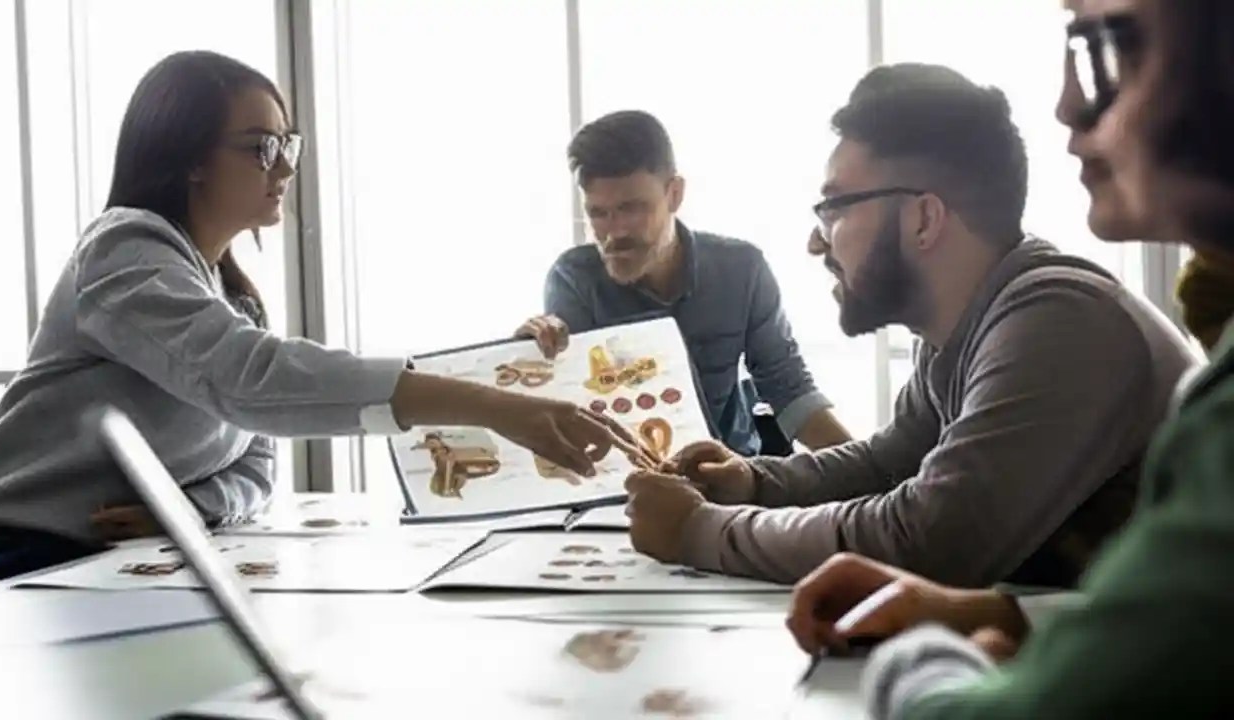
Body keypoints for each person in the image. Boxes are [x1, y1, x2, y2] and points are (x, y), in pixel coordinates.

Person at [0, 51, 645, 591]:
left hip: (97, 565)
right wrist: (492, 406)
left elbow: (256, 456)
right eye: (260, 147)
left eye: (289, 144)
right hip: (1, 552)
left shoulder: (235, 295)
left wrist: (195, 507)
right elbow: (251, 380)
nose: (283, 167)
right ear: (188, 156)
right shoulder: (122, 250)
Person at [789, 1, 1234, 716]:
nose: (1064, 103)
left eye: (1109, 43)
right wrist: (998, 618)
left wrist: (926, 660)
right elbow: (1185, 626)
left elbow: (936, 540)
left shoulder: (1060, 317)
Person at [622, 63, 1197, 588]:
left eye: (837, 207)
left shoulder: (1060, 322)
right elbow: (888, 464)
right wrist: (754, 484)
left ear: (925, 217)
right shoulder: (969, 324)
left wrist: (700, 532)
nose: (817, 239)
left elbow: (929, 540)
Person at [515, 110, 851, 456]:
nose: (615, 233)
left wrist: (871, 474)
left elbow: (788, 389)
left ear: (674, 194)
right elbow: (575, 410)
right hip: (629, 482)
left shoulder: (741, 269)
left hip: (735, 474)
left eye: (632, 209)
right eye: (598, 214)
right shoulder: (573, 280)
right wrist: (531, 364)